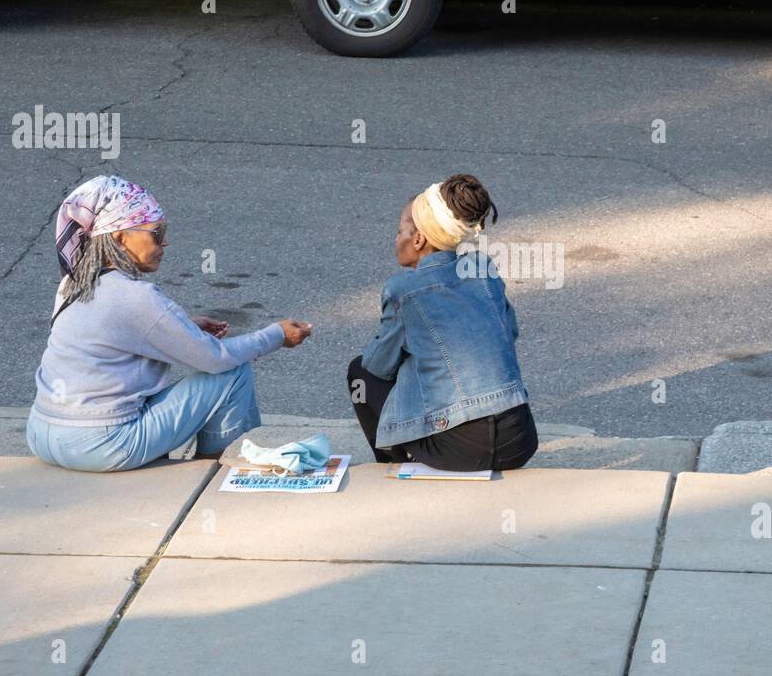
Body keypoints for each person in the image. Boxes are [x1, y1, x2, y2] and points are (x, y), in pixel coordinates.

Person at [27, 175, 311, 472]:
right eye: (156, 233)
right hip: (102, 444)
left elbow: (103, 335)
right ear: (120, 237)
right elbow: (215, 359)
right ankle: (213, 473)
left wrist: (183, 325)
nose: (165, 242)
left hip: (42, 434)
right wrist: (276, 335)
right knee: (233, 373)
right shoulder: (136, 297)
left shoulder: (72, 284)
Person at [348, 174, 537, 473]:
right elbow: (509, 333)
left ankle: (395, 464)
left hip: (459, 451)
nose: (396, 239)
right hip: (519, 442)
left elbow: (378, 366)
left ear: (419, 239)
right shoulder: (483, 269)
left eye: (400, 231)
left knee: (359, 372)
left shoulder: (402, 290)